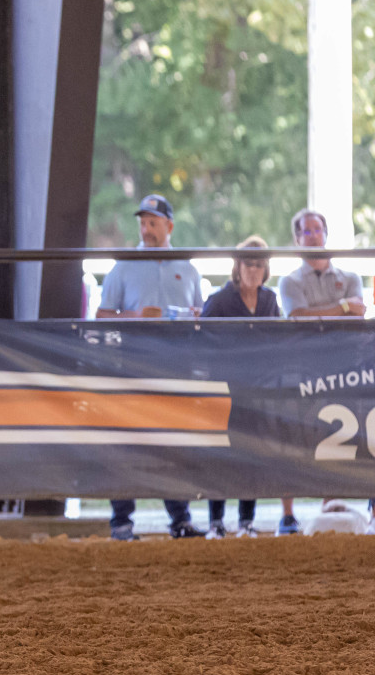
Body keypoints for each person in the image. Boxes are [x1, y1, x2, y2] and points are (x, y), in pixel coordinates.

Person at [95, 194, 206, 540]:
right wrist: (137, 316)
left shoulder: (187, 269)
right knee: (125, 442)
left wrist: (192, 318)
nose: (146, 229)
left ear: (169, 226)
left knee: (173, 442)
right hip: (132, 367)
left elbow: (198, 313)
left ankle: (180, 518)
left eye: (153, 223)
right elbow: (102, 315)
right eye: (142, 223)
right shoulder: (123, 266)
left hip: (174, 367)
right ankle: (122, 521)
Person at [276, 209, 367, 536]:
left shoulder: (350, 277)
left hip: (343, 370)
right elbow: (298, 316)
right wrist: (342, 307)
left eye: (318, 229)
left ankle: (331, 505)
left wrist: (331, 314)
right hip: (303, 369)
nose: (313, 235)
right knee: (294, 435)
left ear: (326, 234)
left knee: (339, 434)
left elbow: (359, 315)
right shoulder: (289, 281)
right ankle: (288, 514)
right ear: (298, 239)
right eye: (306, 231)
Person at [200, 235, 280, 538]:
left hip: (256, 390)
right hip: (224, 388)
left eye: (259, 264)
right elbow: (203, 342)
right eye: (248, 263)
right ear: (238, 266)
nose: (253, 269)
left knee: (252, 453)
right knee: (221, 454)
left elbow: (279, 342)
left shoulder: (270, 300)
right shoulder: (219, 301)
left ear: (265, 268)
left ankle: (246, 519)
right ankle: (216, 520)